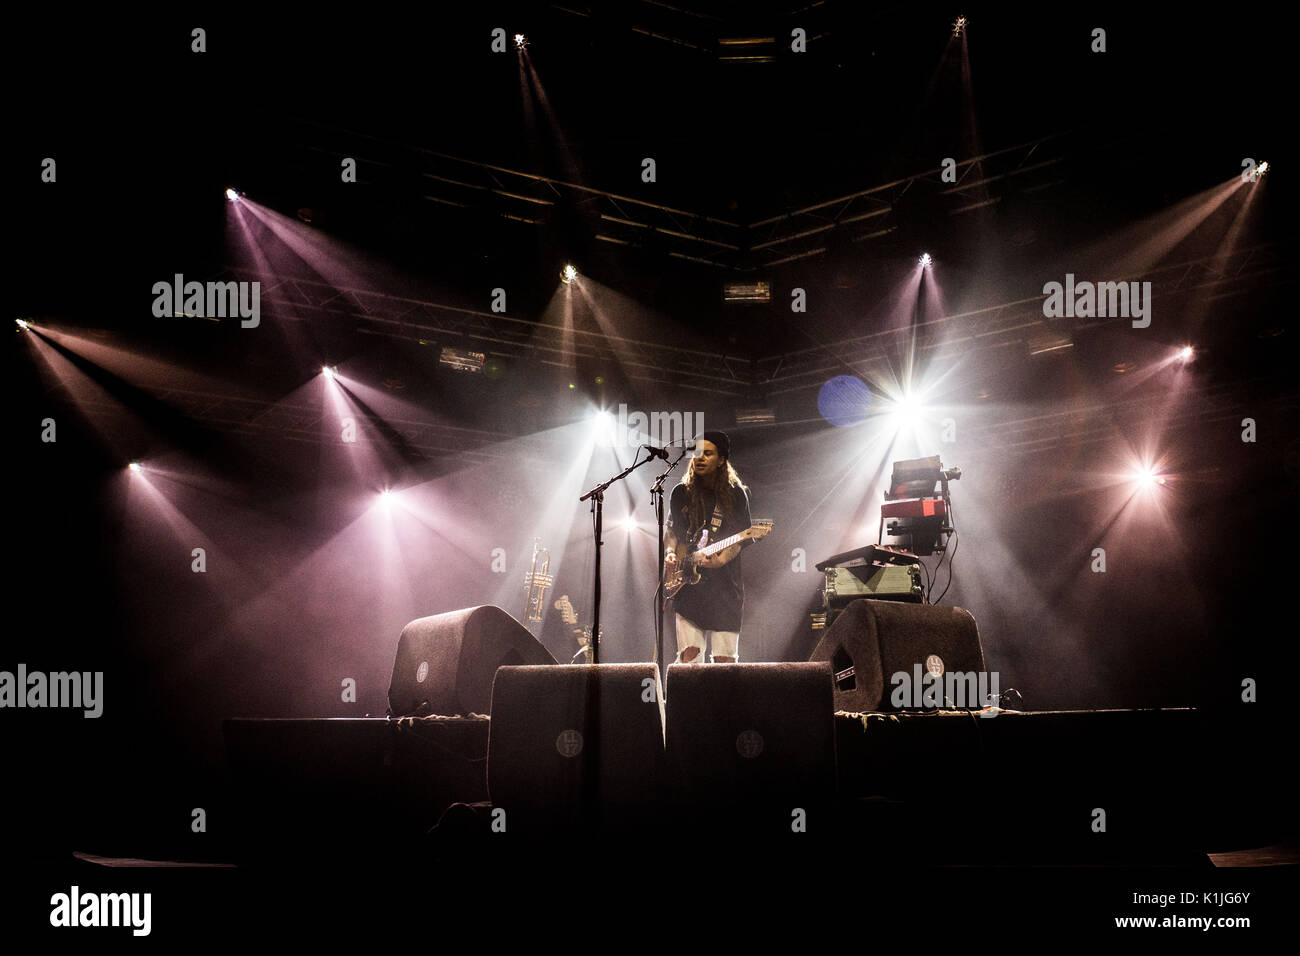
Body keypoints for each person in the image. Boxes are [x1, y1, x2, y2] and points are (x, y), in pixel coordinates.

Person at [664, 431, 752, 663]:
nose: (700, 458)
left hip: (725, 587)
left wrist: (722, 559)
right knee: (689, 658)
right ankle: (689, 700)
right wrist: (670, 552)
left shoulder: (736, 495)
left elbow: (742, 538)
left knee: (725, 661)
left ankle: (723, 701)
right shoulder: (681, 493)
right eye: (697, 453)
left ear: (721, 460)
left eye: (708, 454)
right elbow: (672, 531)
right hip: (688, 586)